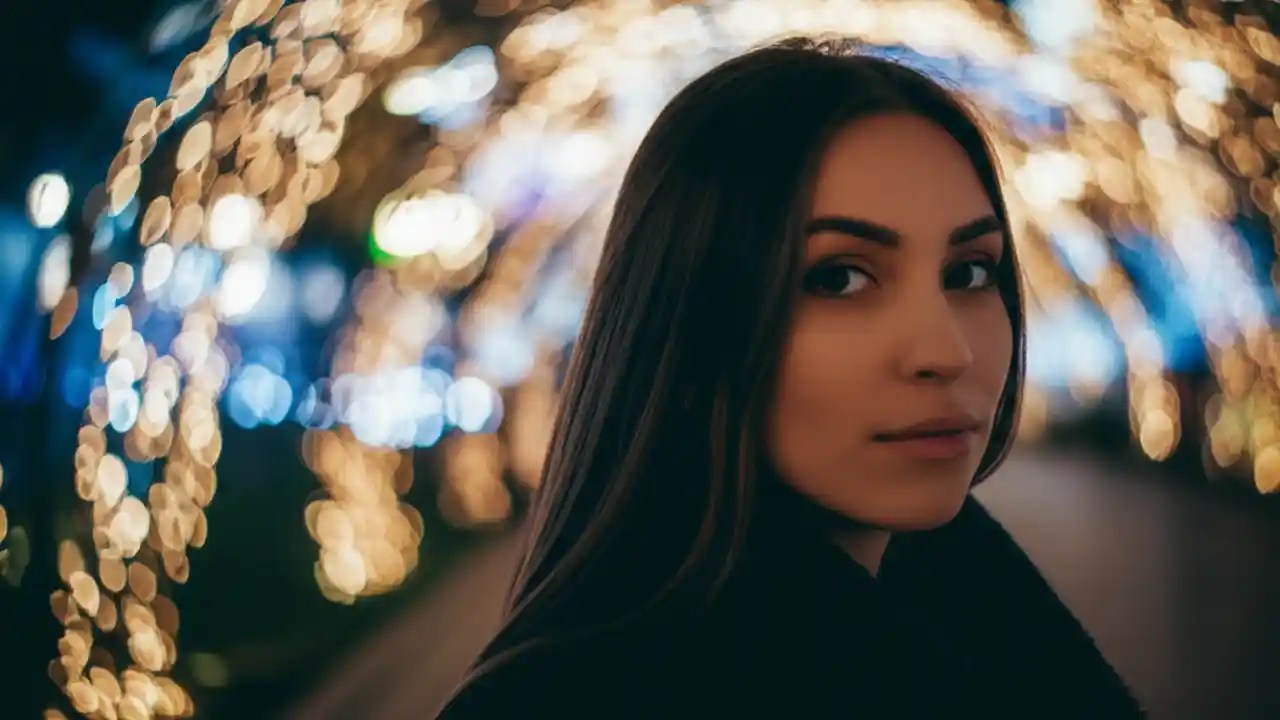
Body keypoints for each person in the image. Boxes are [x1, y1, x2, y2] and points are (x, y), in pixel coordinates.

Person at [437, 36, 1144, 718]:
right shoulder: (564, 702)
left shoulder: (983, 629)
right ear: (688, 320)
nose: (947, 350)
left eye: (968, 272)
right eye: (839, 278)